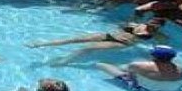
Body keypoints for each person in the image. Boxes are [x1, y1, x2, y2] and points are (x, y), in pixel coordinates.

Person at [27, 17, 167, 65]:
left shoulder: (157, 35)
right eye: (152, 21)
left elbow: (158, 46)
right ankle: (41, 44)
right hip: (109, 35)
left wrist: (152, 56)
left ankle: (63, 62)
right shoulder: (138, 25)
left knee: (87, 49)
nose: (152, 24)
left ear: (160, 26)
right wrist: (126, 25)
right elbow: (121, 25)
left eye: (156, 24)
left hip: (121, 43)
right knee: (74, 39)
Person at [96, 45, 182, 91]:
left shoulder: (139, 65)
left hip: (147, 89)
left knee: (102, 65)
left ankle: (98, 63)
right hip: (172, 89)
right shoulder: (181, 68)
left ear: (153, 56)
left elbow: (127, 72)